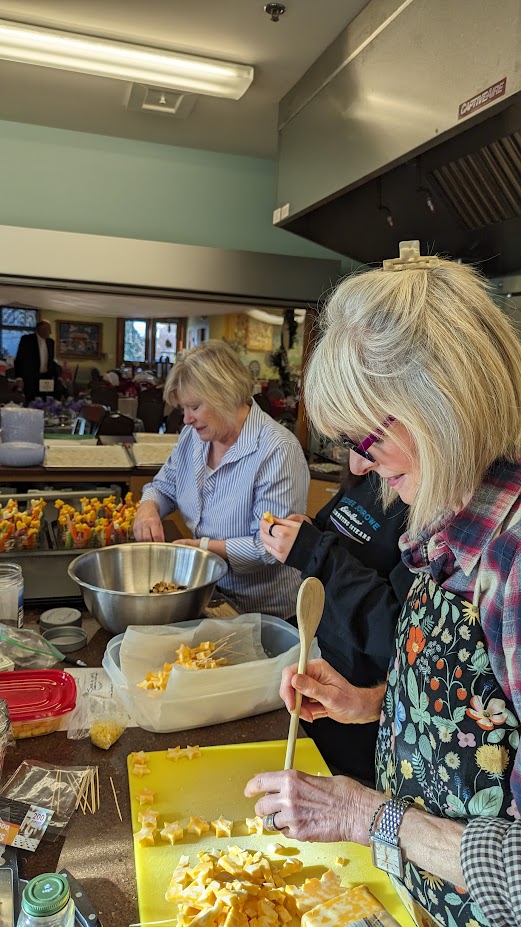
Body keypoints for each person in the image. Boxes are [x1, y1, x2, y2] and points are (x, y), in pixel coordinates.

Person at [245, 242, 521, 927]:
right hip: (420, 899)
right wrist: (374, 703)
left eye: (367, 437)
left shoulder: (512, 560)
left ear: (441, 402)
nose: (360, 466)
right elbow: (485, 727)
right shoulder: (445, 517)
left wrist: (364, 812)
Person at [133, 340, 309, 618]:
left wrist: (203, 548)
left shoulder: (277, 449)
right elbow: (163, 487)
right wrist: (148, 507)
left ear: (224, 394)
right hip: (211, 594)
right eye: (184, 409)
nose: (187, 419)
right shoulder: (194, 436)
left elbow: (270, 547)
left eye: (194, 407)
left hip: (265, 611)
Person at [259, 472, 410, 782]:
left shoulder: (420, 502)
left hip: (366, 735)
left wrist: (315, 553)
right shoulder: (367, 476)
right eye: (346, 445)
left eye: (365, 445)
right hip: (332, 697)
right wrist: (312, 530)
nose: (355, 463)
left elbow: (400, 630)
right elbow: (342, 539)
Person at [14, 319, 58, 403]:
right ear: (41, 329)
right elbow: (19, 359)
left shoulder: (51, 342)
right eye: (48, 329)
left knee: (45, 400)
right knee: (30, 400)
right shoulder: (27, 339)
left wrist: (57, 376)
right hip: (30, 377)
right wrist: (19, 377)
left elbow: (51, 360)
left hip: (45, 377)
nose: (50, 332)